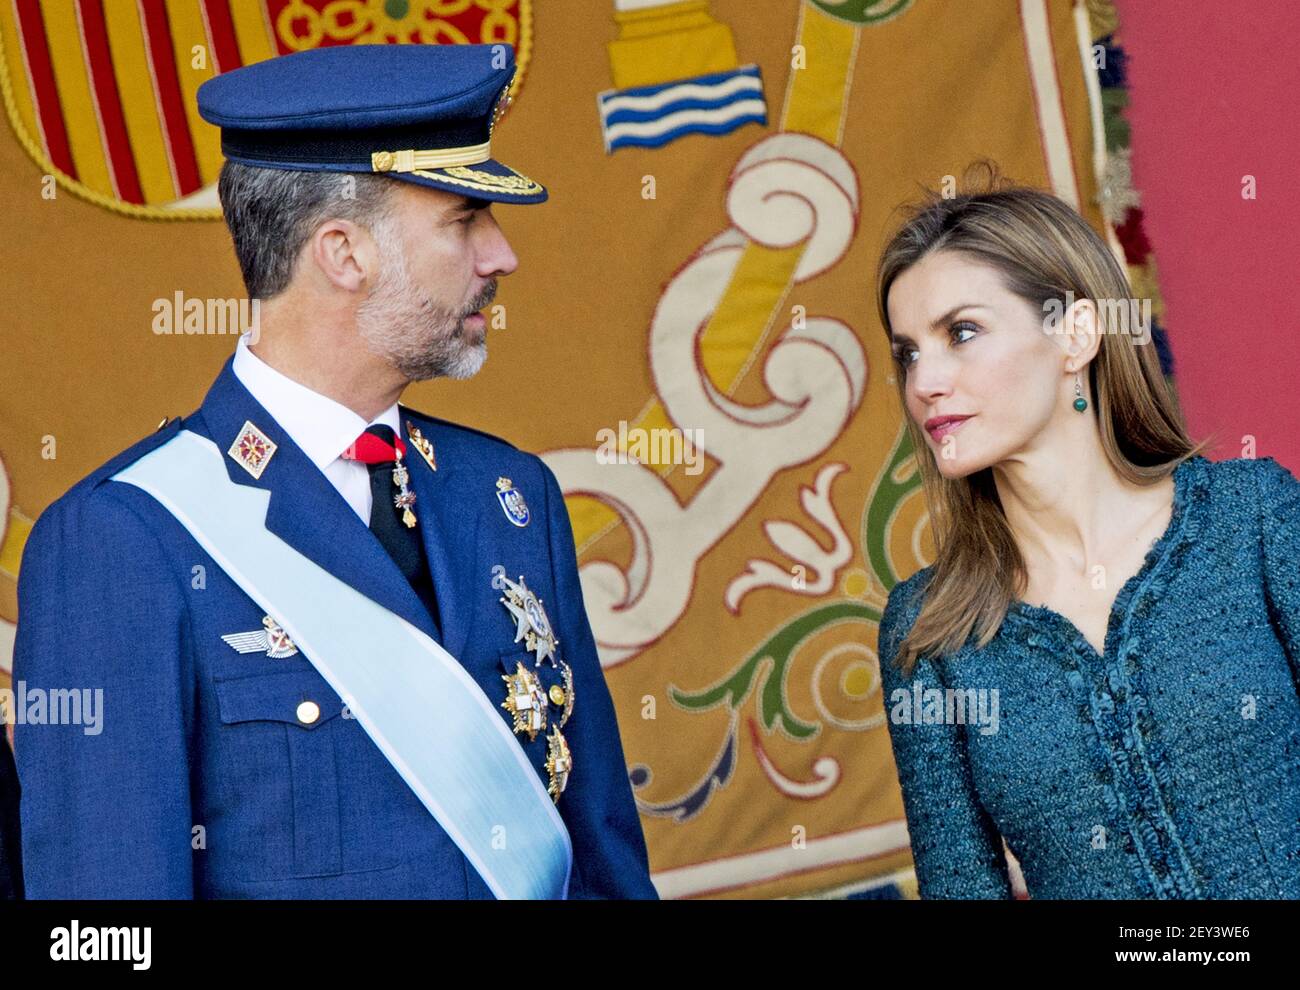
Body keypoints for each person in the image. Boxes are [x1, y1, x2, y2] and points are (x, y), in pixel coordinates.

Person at [14, 43, 657, 900]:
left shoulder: (510, 497)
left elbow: (603, 863)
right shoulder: (123, 539)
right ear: (343, 253)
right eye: (466, 218)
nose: (502, 256)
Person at [874, 165, 1300, 899]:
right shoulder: (929, 635)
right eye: (908, 351)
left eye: (961, 333)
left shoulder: (1253, 520)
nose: (924, 381)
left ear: (1075, 335)